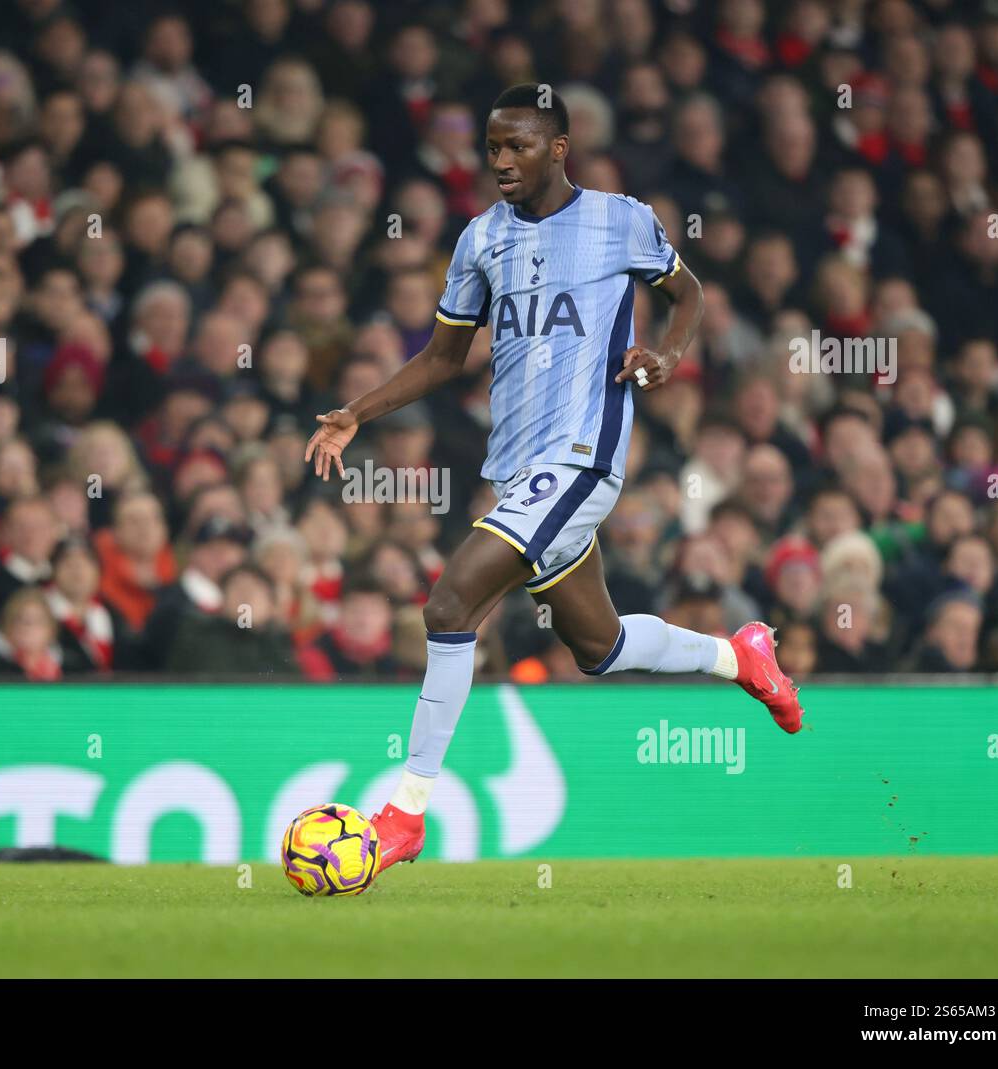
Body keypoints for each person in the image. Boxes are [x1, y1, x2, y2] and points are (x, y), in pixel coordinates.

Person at [304, 85, 807, 875]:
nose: (500, 161)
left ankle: (405, 814)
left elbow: (689, 294)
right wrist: (357, 413)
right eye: (493, 147)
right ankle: (739, 658)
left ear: (559, 148)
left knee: (448, 603)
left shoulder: (620, 219)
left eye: (518, 146)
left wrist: (668, 355)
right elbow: (444, 356)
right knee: (598, 646)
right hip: (517, 471)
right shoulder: (479, 240)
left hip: (582, 458)